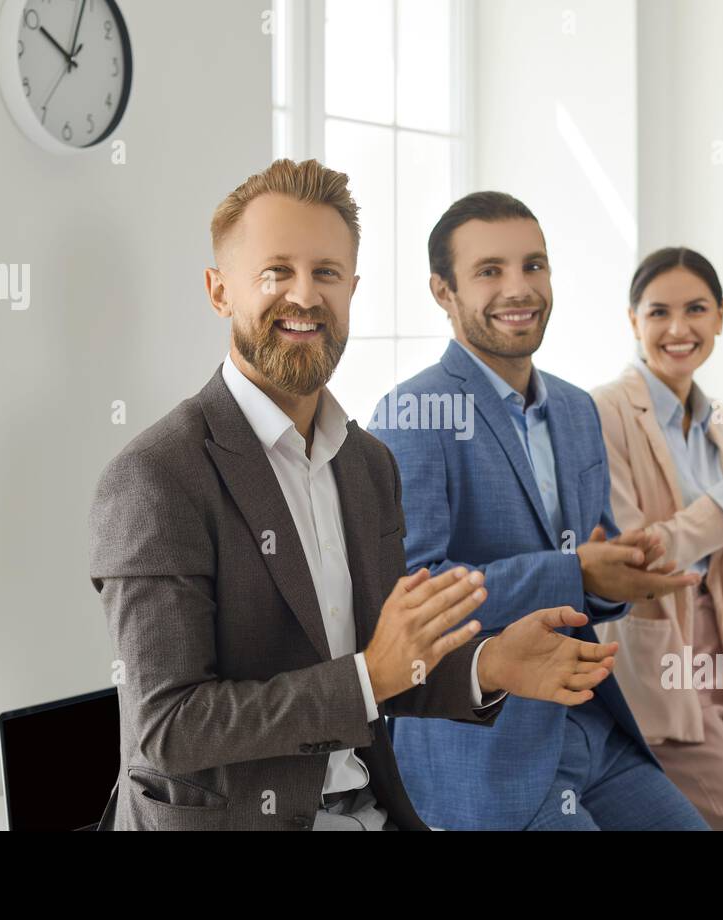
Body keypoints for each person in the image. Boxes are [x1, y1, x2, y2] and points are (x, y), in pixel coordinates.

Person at [89, 160, 620, 831]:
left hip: (378, 812)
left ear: (353, 289)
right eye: (276, 271)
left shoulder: (367, 463)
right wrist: (369, 677)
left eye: (327, 273)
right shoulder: (156, 475)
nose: (304, 296)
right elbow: (169, 728)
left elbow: (392, 653)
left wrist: (490, 663)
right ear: (219, 291)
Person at [369, 192, 709, 831]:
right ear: (443, 292)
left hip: (592, 726)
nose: (519, 288)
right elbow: (423, 595)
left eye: (534, 266)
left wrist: (619, 577)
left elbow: (589, 564)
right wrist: (577, 571)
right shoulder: (410, 415)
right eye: (489, 271)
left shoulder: (579, 410)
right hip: (488, 749)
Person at [591, 247, 723, 830]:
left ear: (721, 317)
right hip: (666, 663)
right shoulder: (603, 412)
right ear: (634, 321)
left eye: (696, 310)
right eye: (659, 313)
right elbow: (640, 557)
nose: (678, 329)